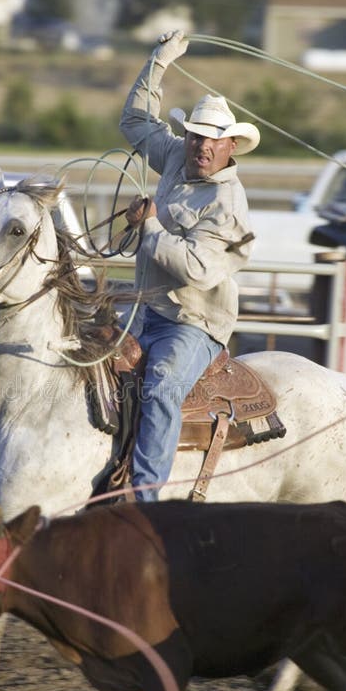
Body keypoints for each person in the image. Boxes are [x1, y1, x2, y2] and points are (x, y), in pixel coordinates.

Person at [119, 29, 260, 500]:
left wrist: (152, 227)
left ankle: (146, 501)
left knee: (160, 388)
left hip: (192, 322)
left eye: (213, 141)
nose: (202, 147)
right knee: (89, 358)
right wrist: (159, 61)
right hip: (146, 309)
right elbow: (136, 121)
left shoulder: (228, 203)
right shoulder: (178, 158)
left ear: (230, 147)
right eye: (197, 136)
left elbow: (198, 269)